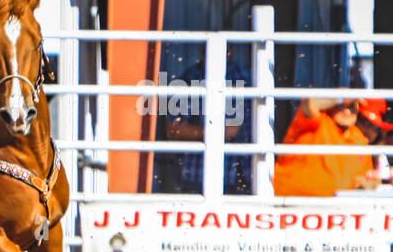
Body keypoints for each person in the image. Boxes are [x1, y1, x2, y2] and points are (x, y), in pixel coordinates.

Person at [156, 55, 254, 194]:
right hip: (200, 175)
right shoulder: (192, 78)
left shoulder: (246, 76)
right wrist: (219, 132)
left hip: (244, 173)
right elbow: (173, 129)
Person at [273, 97, 373, 196]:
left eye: (352, 107)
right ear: (332, 106)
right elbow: (309, 105)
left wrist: (367, 185)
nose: (347, 111)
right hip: (290, 203)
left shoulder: (359, 139)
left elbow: (370, 180)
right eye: (342, 106)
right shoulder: (316, 121)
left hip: (337, 207)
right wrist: (341, 97)